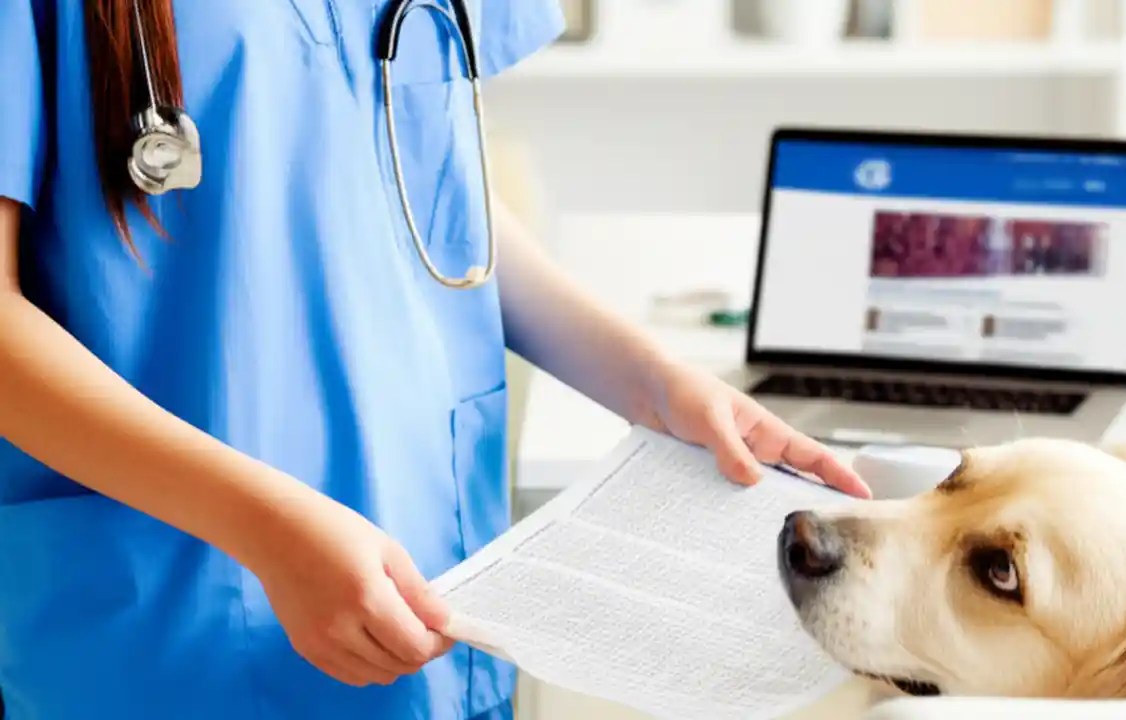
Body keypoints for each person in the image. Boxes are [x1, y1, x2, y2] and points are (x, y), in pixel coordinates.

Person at [0, 2, 869, 719]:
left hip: (432, 576)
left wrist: (653, 382)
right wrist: (265, 529)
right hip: (169, 623)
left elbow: (419, 166)